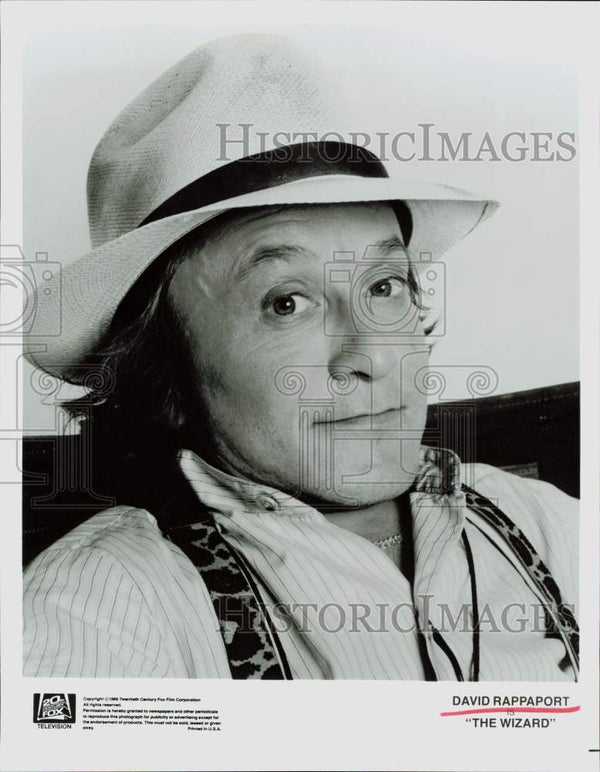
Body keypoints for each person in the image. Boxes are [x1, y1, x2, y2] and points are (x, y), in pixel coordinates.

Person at [23, 33, 578, 680]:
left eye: (383, 285)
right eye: (287, 302)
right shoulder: (100, 613)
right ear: (165, 376)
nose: (369, 355)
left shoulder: (541, 524)